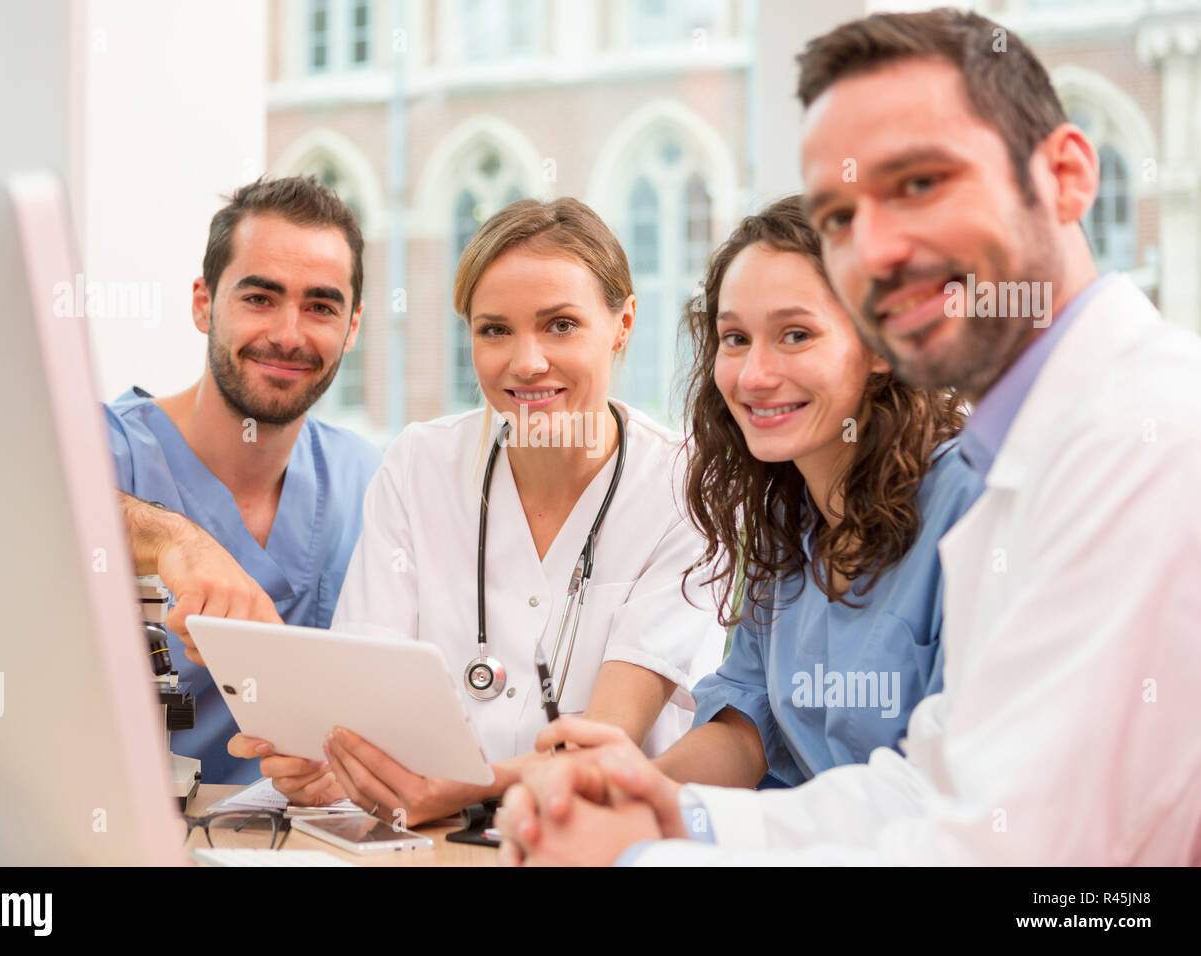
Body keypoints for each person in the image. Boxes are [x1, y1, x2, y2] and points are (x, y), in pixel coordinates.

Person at [496, 8, 1201, 865]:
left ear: (1066, 175)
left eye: (919, 183)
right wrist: (668, 811)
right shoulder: (1020, 461)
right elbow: (925, 783)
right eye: (839, 214)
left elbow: (1016, 857)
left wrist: (643, 855)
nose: (874, 246)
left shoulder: (1147, 441)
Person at [242, 197, 727, 821]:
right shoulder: (419, 466)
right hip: (428, 844)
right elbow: (365, 690)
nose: (525, 363)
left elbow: (608, 740)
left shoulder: (687, 488)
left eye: (561, 325)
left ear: (623, 323)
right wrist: (333, 760)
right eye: (494, 329)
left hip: (596, 843)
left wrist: (468, 785)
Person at [495, 194, 980, 800]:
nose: (753, 375)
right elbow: (747, 730)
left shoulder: (970, 505)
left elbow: (953, 787)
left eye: (796, 335)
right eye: (735, 338)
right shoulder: (788, 510)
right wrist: (621, 791)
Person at [106, 176, 380, 783]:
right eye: (260, 298)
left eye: (321, 306)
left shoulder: (371, 483)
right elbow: (29, 507)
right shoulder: (107, 449)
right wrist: (176, 539)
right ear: (203, 303)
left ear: (353, 325)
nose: (288, 334)